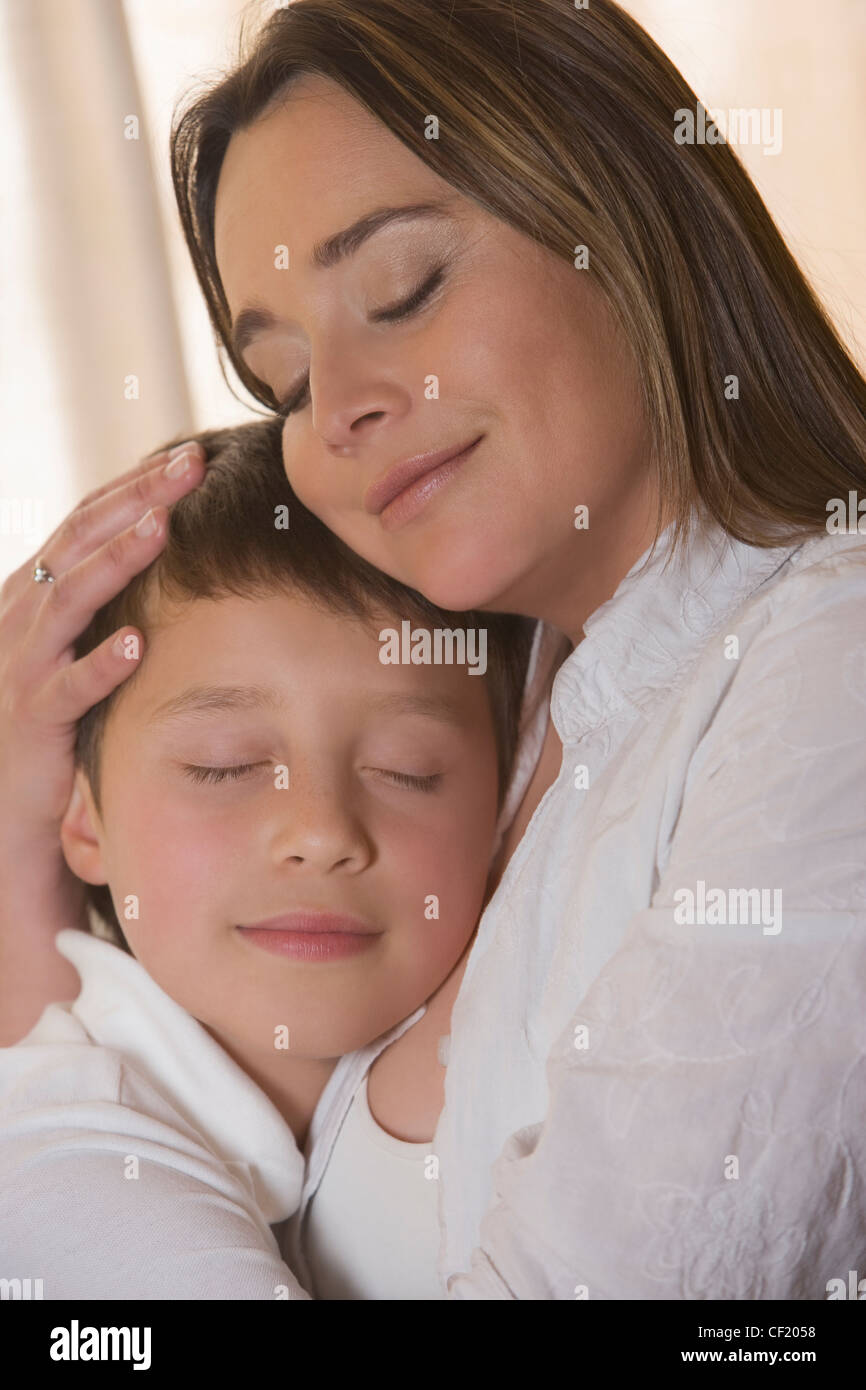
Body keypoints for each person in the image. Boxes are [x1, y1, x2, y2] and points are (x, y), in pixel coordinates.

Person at [2, 0, 865, 1298]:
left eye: (399, 291)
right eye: (284, 380)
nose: (338, 409)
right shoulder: (514, 687)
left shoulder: (825, 671)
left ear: (627, 222)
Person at [0, 418, 533, 1299]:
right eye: (225, 764)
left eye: (410, 771)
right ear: (84, 823)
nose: (321, 830)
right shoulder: (60, 1155)